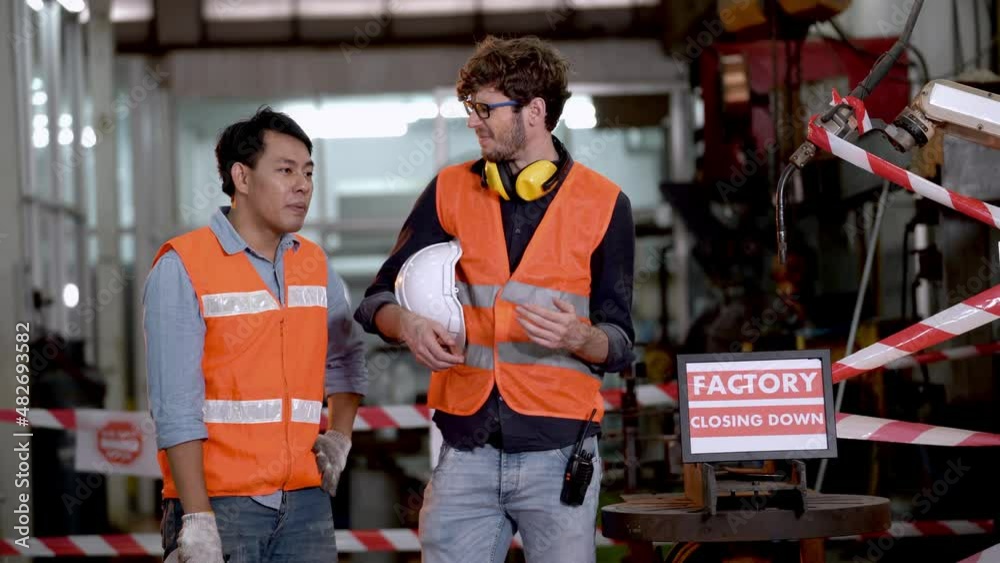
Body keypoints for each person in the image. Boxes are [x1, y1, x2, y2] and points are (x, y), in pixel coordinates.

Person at [354, 36, 636, 562]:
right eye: (470, 108)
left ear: (534, 111)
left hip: (560, 455)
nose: (472, 121)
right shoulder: (449, 191)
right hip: (466, 452)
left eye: (485, 108)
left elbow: (620, 345)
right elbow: (374, 301)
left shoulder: (604, 205)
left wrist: (583, 337)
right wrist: (406, 324)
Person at [144, 107, 368, 563]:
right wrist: (197, 518)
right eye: (285, 170)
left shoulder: (315, 264)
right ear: (241, 177)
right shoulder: (183, 266)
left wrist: (339, 436)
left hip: (306, 503)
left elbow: (346, 360)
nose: (302, 184)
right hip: (221, 505)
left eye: (308, 172)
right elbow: (175, 407)